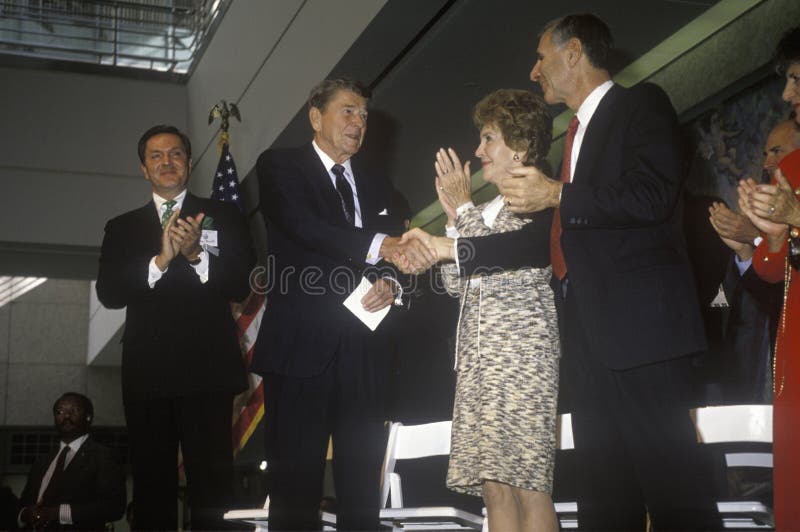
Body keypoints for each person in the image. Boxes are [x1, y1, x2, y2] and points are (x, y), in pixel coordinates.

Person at [402, 14, 720, 529]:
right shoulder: (574, 135)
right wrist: (443, 246)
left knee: (673, 487)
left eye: (541, 56)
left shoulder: (641, 106)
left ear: (573, 53)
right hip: (588, 339)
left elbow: (653, 195)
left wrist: (556, 195)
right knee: (604, 494)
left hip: (641, 333)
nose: (534, 70)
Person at [251, 78, 435, 530]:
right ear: (316, 117)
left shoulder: (378, 184)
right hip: (300, 354)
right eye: (348, 111)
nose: (359, 123)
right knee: (294, 493)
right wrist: (383, 246)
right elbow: (304, 226)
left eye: (365, 115)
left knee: (360, 495)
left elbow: (391, 259)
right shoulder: (279, 167)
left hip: (366, 354)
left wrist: (391, 282)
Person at [96, 125, 255, 530]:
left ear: (188, 162)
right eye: (156, 156)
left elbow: (240, 284)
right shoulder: (122, 227)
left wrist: (197, 253)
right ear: (143, 169)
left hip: (209, 374)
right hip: (148, 376)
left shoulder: (225, 215)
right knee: (152, 488)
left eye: (176, 154)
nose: (166, 162)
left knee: (213, 487)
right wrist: (161, 261)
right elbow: (111, 293)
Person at [434, 89, 559, 531]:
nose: (478, 150)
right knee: (494, 489)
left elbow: (503, 255)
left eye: (488, 139)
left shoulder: (537, 199)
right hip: (478, 367)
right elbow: (456, 284)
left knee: (528, 487)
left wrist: (462, 210)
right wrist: (454, 218)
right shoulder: (485, 211)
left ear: (520, 148)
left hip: (520, 360)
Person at [736, 25, 800, 529]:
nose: (787, 93)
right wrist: (770, 233)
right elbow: (772, 268)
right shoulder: (794, 165)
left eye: (798, 79)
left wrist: (795, 214)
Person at [709, 119, 800, 403]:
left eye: (777, 151)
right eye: (765, 155)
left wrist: (758, 239)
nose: (769, 163)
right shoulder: (764, 221)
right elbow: (772, 301)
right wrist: (746, 250)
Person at [18, 393, 126, 530]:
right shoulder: (42, 460)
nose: (66, 416)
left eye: (74, 411)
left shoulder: (104, 456)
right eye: (60, 412)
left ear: (88, 417)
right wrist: (25, 514)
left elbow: (114, 507)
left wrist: (57, 513)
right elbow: (24, 503)